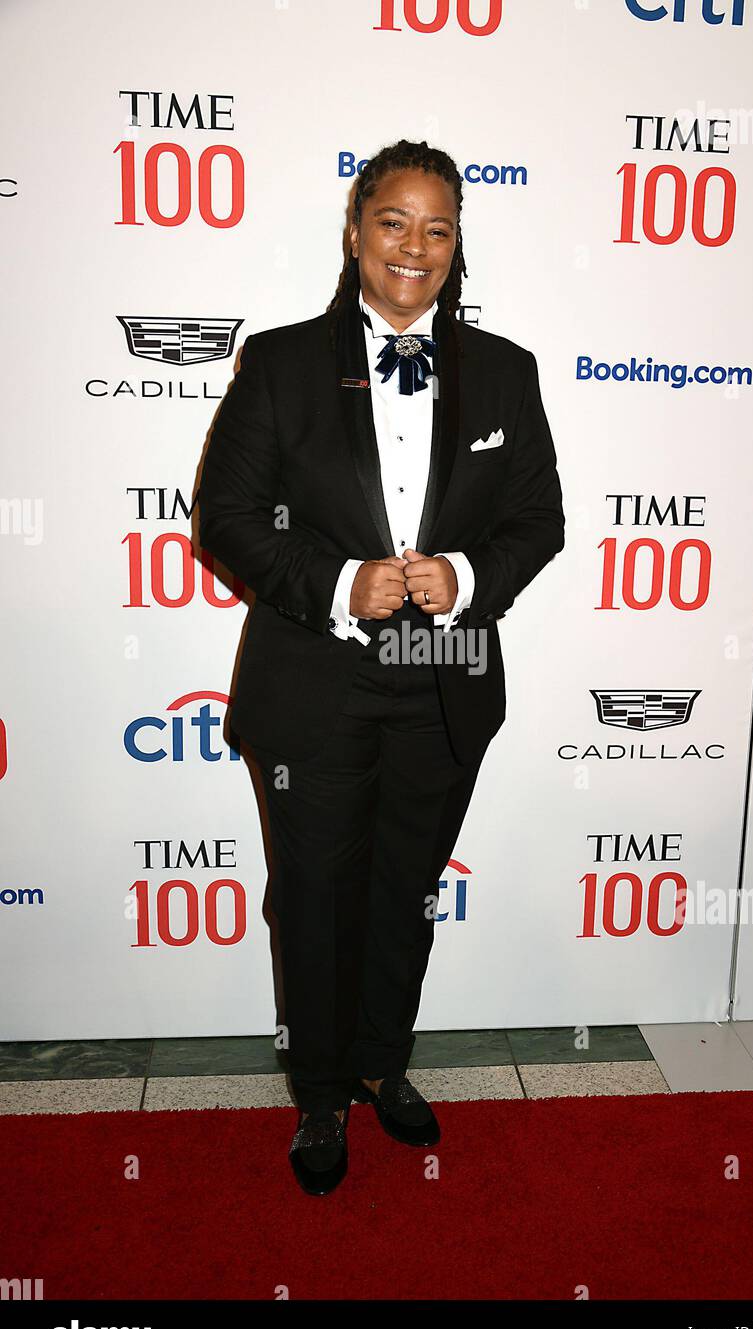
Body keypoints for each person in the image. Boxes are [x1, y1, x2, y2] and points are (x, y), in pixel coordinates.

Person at [195, 138, 565, 1196]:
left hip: (441, 670)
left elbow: (538, 521)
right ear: (355, 232)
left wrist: (461, 572)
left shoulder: (506, 371)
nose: (413, 245)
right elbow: (224, 516)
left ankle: (378, 1062)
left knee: (404, 891)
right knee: (314, 892)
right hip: (316, 675)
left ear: (457, 245)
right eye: (392, 221)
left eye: (436, 227)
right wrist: (337, 579)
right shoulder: (279, 361)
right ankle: (317, 1091)